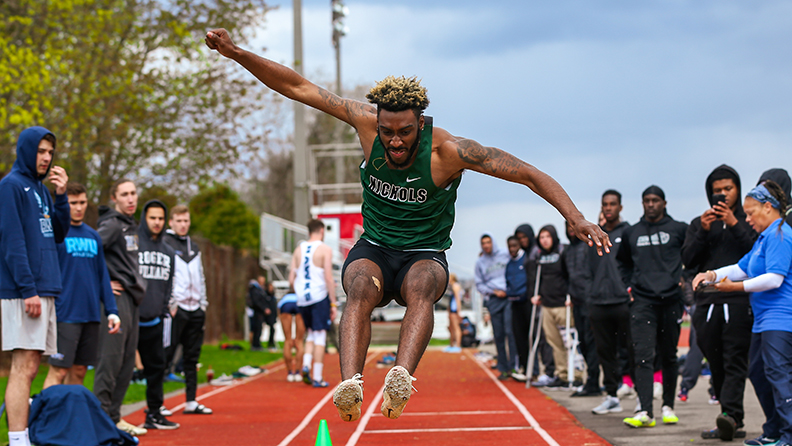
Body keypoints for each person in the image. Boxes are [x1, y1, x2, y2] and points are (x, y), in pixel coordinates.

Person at [203, 28, 609, 422]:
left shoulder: (450, 152)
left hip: (424, 252)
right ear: (376, 122)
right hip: (376, 247)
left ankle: (400, 376)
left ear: (421, 123)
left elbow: (525, 172)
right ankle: (350, 384)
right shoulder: (363, 122)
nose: (395, 142)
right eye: (387, 132)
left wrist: (573, 217)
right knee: (359, 286)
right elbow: (299, 88)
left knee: (421, 287)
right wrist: (237, 53)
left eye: (405, 133)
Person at [692, 180, 792, 446]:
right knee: (759, 373)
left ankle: (789, 434)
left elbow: (774, 279)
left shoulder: (781, 235)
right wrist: (712, 274)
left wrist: (733, 288)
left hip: (780, 319)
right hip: (762, 321)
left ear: (768, 207)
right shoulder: (763, 238)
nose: (746, 219)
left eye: (750, 213)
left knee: (778, 375)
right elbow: (740, 267)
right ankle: (774, 428)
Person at [0, 127, 69, 446]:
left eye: (50, 153)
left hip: (45, 288)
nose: (46, 158)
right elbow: (12, 242)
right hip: (24, 291)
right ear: (27, 150)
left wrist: (61, 196)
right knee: (23, 366)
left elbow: (57, 234)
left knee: (32, 366)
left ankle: (22, 434)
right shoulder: (11, 186)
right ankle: (17, 439)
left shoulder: (40, 190)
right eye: (40, 151)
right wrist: (28, 289)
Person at [681, 165, 755, 441]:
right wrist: (702, 230)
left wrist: (734, 224)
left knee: (735, 360)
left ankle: (731, 416)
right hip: (707, 302)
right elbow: (688, 259)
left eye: (728, 189)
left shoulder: (749, 220)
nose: (722, 195)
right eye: (717, 191)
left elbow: (755, 254)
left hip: (738, 300)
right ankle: (730, 418)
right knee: (716, 362)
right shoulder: (700, 223)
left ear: (738, 189)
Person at [618, 185, 688, 428]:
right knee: (643, 356)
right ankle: (645, 411)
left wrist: (685, 280)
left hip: (671, 300)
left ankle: (668, 406)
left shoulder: (679, 229)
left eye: (655, 200)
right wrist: (629, 286)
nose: (650, 204)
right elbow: (622, 262)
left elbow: (693, 255)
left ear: (664, 203)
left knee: (669, 356)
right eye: (646, 200)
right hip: (643, 302)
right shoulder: (632, 233)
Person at [43, 182, 121, 389]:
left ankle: (70, 419)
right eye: (73, 203)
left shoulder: (93, 235)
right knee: (58, 370)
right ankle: (47, 420)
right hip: (65, 314)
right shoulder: (55, 234)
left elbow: (102, 275)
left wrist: (112, 310)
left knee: (79, 371)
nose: (78, 208)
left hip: (91, 315)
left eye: (82, 202)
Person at [93, 179, 147, 436]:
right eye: (124, 194)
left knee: (127, 363)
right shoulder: (112, 224)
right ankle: (102, 421)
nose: (130, 199)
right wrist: (101, 283)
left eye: (133, 193)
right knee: (111, 361)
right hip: (116, 299)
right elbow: (89, 250)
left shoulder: (130, 225)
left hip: (132, 299)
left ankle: (114, 418)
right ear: (114, 198)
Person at [163, 205, 213, 415]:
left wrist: (203, 303)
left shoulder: (194, 246)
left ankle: (191, 401)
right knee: (165, 356)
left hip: (196, 309)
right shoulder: (165, 243)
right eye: (179, 221)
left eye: (186, 221)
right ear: (171, 222)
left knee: (192, 358)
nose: (183, 225)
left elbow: (200, 275)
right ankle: (157, 405)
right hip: (176, 310)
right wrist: (171, 304)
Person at [135, 200, 180, 430]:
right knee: (122, 370)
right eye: (152, 218)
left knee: (157, 368)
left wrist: (163, 309)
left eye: (161, 219)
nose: (157, 222)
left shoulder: (169, 252)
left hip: (155, 319)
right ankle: (112, 418)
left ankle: (154, 413)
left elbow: (169, 284)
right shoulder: (133, 244)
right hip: (132, 318)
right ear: (145, 218)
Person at [588, 190, 633, 415]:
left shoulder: (629, 232)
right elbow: (587, 267)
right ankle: (612, 396)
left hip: (622, 300)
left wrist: (630, 289)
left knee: (632, 349)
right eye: (605, 204)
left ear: (620, 207)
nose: (608, 208)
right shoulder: (594, 234)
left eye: (613, 204)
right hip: (598, 301)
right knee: (605, 352)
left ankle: (641, 399)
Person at [528, 225, 583, 388]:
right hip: (547, 305)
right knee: (554, 343)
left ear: (553, 237)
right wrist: (536, 295)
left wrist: (570, 296)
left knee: (570, 342)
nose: (544, 240)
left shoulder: (562, 252)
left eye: (547, 236)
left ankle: (577, 374)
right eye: (542, 237)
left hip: (563, 305)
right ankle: (562, 374)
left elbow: (569, 275)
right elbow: (536, 278)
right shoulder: (539, 256)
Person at [289, 219, 338, 388]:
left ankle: (306, 365)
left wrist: (300, 291)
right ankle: (317, 376)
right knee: (320, 336)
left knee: (311, 333)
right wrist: (333, 303)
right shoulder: (325, 249)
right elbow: (329, 278)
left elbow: (291, 279)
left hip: (303, 299)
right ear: (322, 231)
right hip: (319, 296)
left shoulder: (297, 250)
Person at [564, 220, 600, 397]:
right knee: (583, 344)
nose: (571, 230)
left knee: (591, 342)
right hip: (576, 301)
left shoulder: (588, 246)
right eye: (568, 227)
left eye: (574, 226)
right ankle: (591, 379)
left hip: (590, 301)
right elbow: (566, 275)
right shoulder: (567, 250)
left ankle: (594, 381)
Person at [475, 233, 518, 381]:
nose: (486, 245)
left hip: (508, 296)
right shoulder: (480, 262)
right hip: (494, 298)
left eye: (488, 242)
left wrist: (511, 288)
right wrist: (493, 291)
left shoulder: (505, 255)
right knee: (498, 335)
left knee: (510, 331)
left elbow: (514, 269)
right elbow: (479, 284)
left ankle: (514, 366)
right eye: (483, 243)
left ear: (493, 242)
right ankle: (503, 368)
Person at [278, 288, 305, 382]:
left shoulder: (284, 298)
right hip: (300, 305)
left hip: (285, 307)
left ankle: (290, 373)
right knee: (299, 340)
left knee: (287, 340)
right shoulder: (300, 296)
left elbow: (279, 312)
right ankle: (297, 372)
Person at [247, 275, 270, 351]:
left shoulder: (261, 289)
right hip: (257, 312)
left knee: (259, 328)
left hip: (259, 312)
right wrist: (264, 309)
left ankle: (257, 344)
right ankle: (255, 345)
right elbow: (256, 301)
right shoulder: (255, 290)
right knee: (256, 328)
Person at [442, 273, 463, 354]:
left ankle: (457, 345)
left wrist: (458, 311)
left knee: (456, 328)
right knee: (451, 328)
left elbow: (458, 299)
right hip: (451, 309)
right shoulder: (452, 287)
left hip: (454, 310)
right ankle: (451, 345)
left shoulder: (456, 286)